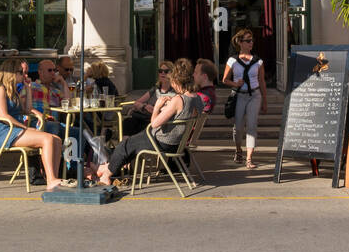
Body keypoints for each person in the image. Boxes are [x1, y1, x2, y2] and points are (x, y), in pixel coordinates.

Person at [95, 59, 202, 188]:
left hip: (163, 141)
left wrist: (157, 107)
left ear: (177, 80)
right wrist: (167, 108)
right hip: (178, 143)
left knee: (126, 144)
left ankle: (106, 175)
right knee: (131, 144)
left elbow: (155, 123)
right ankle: (108, 168)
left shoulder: (178, 99)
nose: (172, 85)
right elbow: (182, 114)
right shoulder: (197, 98)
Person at [0, 58, 63, 192]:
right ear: (11, 73)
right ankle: (50, 180)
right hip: (6, 132)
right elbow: (4, 116)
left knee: (57, 140)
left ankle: (53, 177)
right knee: (47, 139)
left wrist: (28, 89)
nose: (24, 75)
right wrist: (25, 127)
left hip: (16, 129)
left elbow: (27, 110)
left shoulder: (13, 90)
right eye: (21, 72)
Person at [223, 29, 266, 170]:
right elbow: (224, 80)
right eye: (248, 41)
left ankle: (249, 159)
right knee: (238, 127)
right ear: (240, 43)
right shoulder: (233, 60)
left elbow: (262, 81)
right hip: (239, 95)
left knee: (252, 126)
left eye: (252, 40)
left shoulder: (258, 61)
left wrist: (265, 101)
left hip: (254, 95)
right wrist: (235, 84)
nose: (251, 43)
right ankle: (238, 150)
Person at [123, 61, 174, 136]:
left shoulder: (174, 92)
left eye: (166, 71)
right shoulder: (155, 89)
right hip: (144, 117)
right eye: (160, 71)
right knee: (128, 122)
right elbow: (136, 103)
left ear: (171, 73)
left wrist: (155, 109)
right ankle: (124, 145)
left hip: (156, 122)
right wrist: (145, 106)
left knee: (140, 127)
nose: (162, 73)